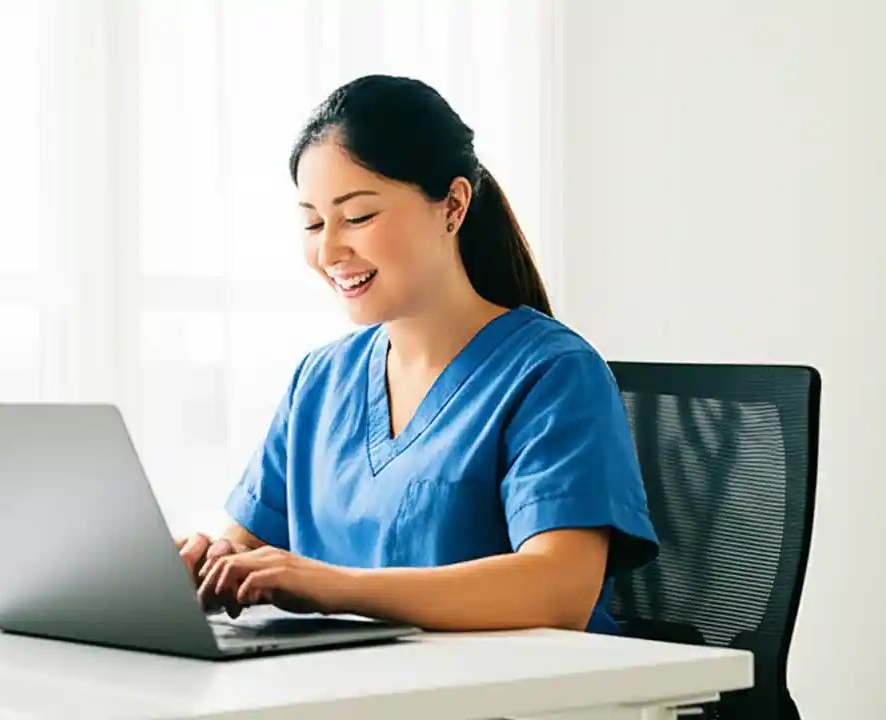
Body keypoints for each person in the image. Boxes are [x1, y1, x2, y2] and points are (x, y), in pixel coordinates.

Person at [178, 74, 658, 633]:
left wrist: (332, 586)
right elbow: (246, 552)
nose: (329, 249)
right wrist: (196, 568)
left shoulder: (552, 373)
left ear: (452, 205)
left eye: (357, 217)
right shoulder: (319, 380)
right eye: (312, 222)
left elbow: (559, 590)